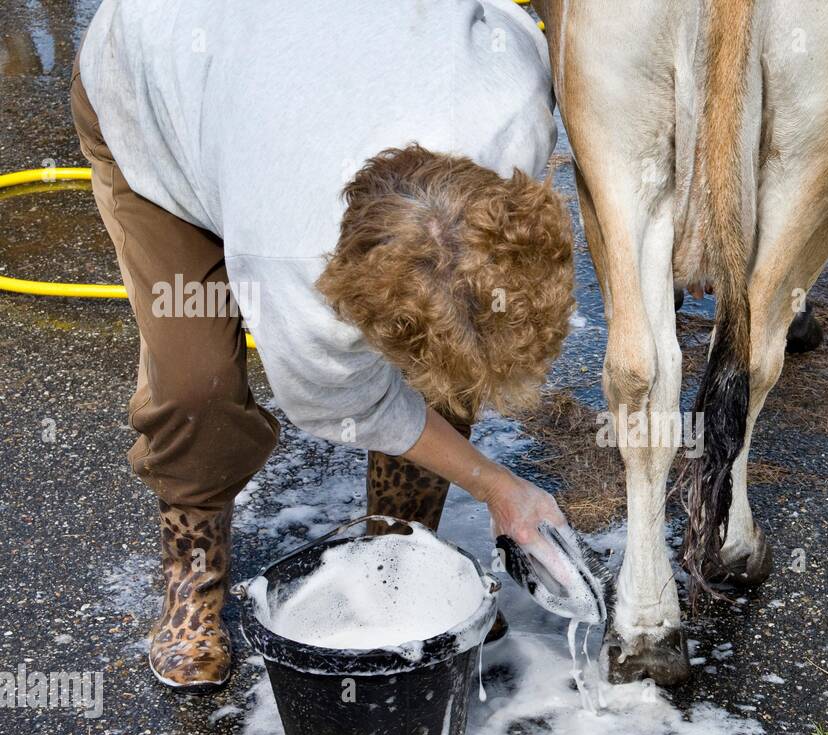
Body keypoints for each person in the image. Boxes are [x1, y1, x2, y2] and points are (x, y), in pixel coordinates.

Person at [71, 0, 576, 690]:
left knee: (444, 366)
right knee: (197, 387)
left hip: (283, 72)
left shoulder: (511, 113)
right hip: (154, 96)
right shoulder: (291, 261)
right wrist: (498, 486)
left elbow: (508, 24)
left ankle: (401, 561)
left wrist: (494, 481)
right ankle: (193, 576)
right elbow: (352, 405)